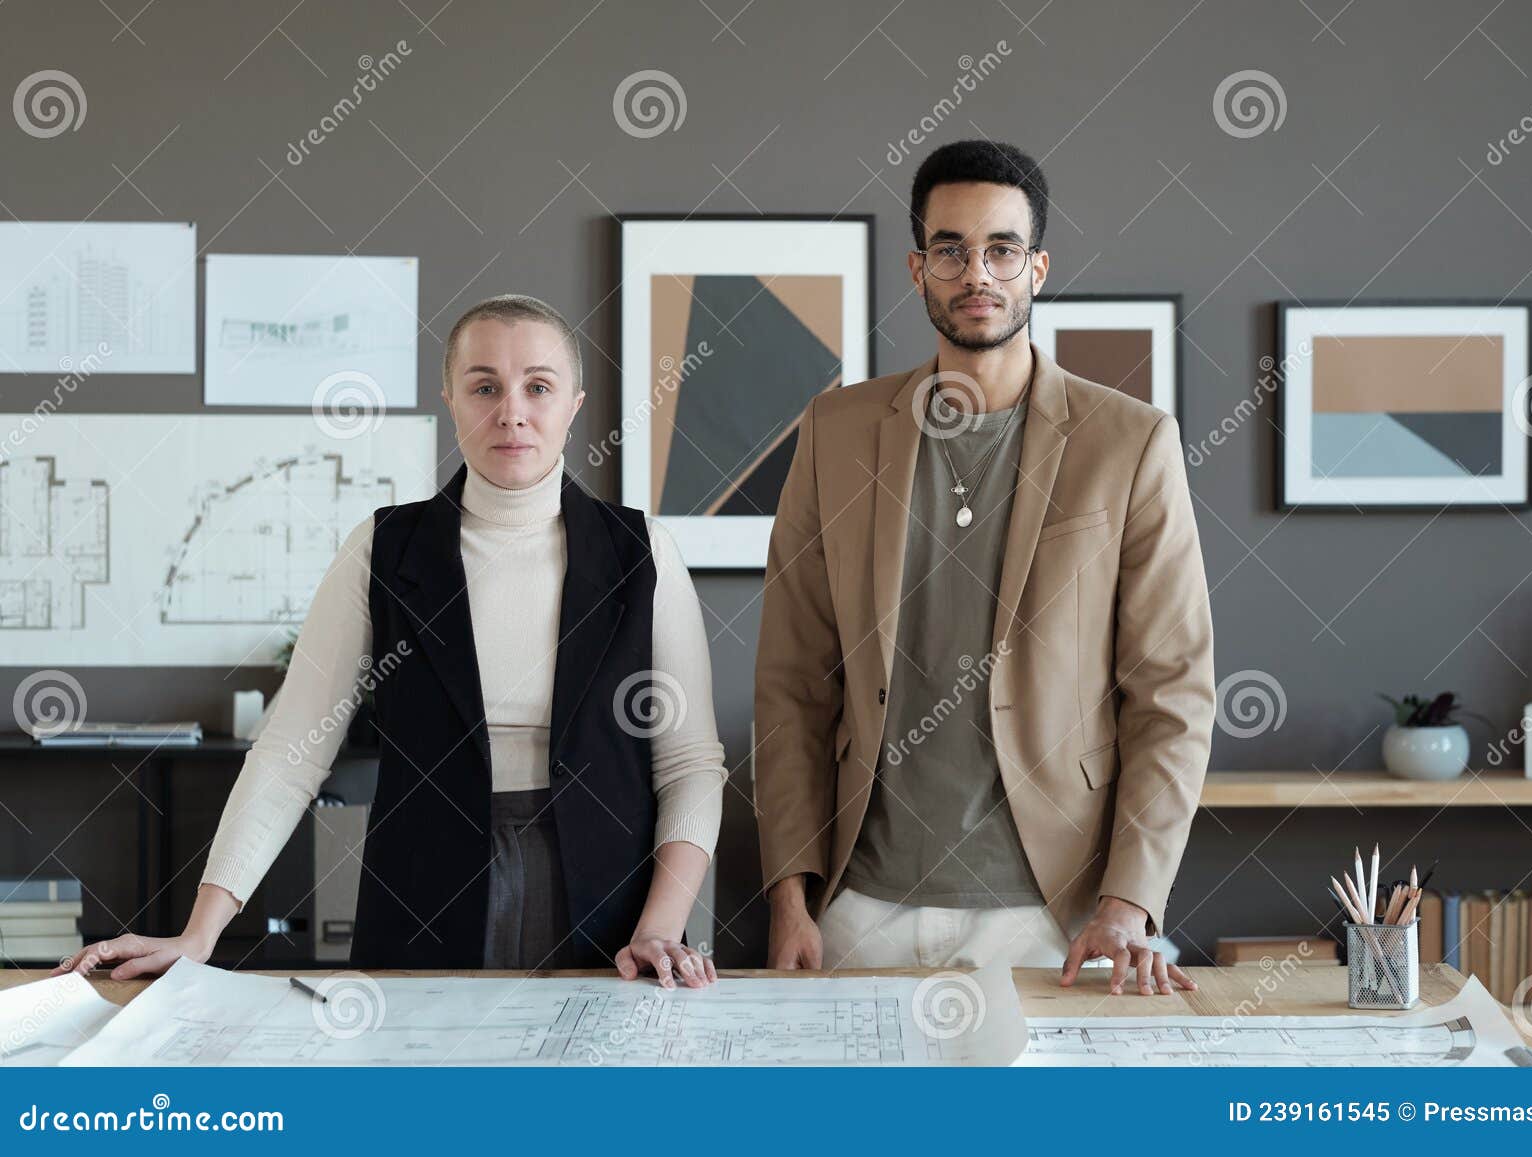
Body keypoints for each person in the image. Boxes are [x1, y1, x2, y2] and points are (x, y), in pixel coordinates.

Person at [59, 295, 728, 988]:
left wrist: (657, 925)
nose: (512, 411)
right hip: (423, 901)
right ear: (451, 400)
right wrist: (200, 933)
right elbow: (292, 751)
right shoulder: (382, 548)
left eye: (538, 386)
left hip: (614, 915)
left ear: (574, 403)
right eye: (485, 387)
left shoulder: (643, 552)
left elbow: (690, 765)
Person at [754, 140, 1216, 996]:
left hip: (1053, 911)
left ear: (1038, 267)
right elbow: (791, 682)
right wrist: (790, 892)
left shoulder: (1130, 441)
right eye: (951, 249)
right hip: (862, 906)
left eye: (1003, 249)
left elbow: (1173, 692)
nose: (979, 272)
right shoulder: (836, 432)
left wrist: (1129, 901)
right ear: (917, 268)